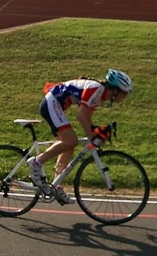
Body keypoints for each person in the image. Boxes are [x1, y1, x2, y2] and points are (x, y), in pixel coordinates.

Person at [32, 70, 133, 203]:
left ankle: (56, 185)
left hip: (57, 105)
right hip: (52, 102)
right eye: (124, 93)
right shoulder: (96, 89)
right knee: (71, 141)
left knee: (69, 145)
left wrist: (96, 133)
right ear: (115, 90)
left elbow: (88, 118)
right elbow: (81, 115)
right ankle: (36, 162)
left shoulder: (100, 97)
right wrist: (92, 136)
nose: (124, 97)